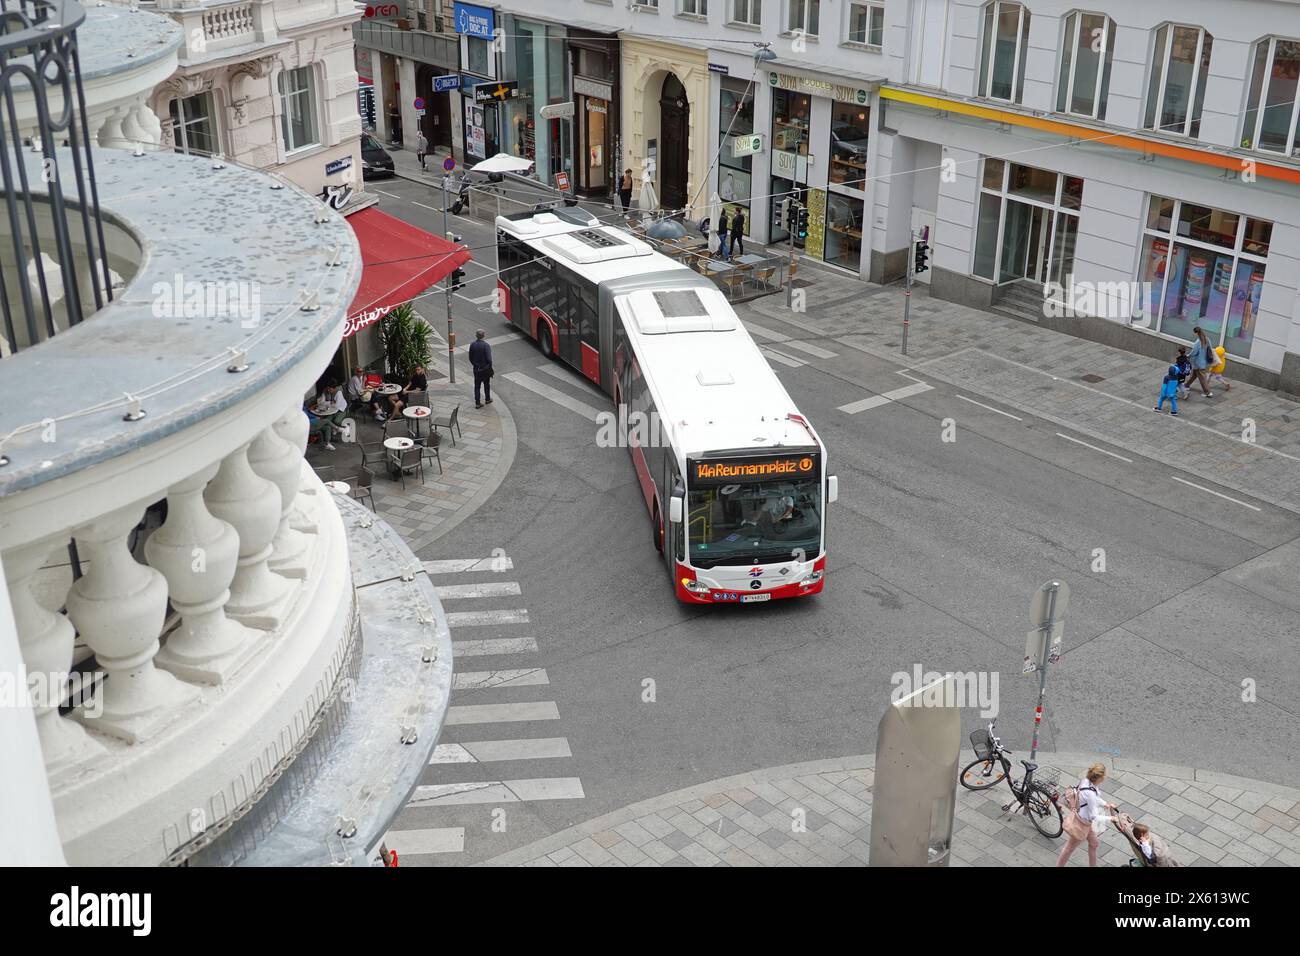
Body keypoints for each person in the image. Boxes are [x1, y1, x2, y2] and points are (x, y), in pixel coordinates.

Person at [1057, 763, 1118, 867]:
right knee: (1069, 848)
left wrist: (1105, 804)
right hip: (1082, 823)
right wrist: (1111, 818)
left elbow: (1095, 798)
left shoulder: (1086, 781)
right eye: (1104, 777)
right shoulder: (1090, 794)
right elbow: (1094, 815)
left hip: (1086, 822)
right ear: (1100, 778)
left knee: (1094, 844)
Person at [308, 383, 347, 451]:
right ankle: (337, 429)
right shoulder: (325, 392)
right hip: (318, 418)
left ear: (334, 388)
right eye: (328, 388)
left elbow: (336, 405)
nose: (328, 390)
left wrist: (328, 403)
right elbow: (321, 403)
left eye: (330, 388)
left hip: (340, 409)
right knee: (327, 420)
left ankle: (330, 438)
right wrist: (331, 402)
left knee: (332, 421)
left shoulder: (338, 393)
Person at [469, 329, 494, 408]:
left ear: (476, 336)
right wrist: (489, 366)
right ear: (483, 336)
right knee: (486, 384)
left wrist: (475, 364)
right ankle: (487, 399)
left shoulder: (472, 345)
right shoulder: (486, 346)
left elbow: (470, 357)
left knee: (477, 386)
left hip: (476, 369)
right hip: (485, 369)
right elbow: (489, 359)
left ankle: (477, 402)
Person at [1187, 327, 1215, 397]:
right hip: (1203, 362)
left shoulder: (1198, 342)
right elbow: (1210, 349)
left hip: (1198, 363)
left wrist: (1188, 356)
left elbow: (1194, 352)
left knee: (1202, 379)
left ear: (1196, 333)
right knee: (1194, 375)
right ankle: (1186, 385)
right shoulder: (1207, 339)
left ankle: (1207, 392)